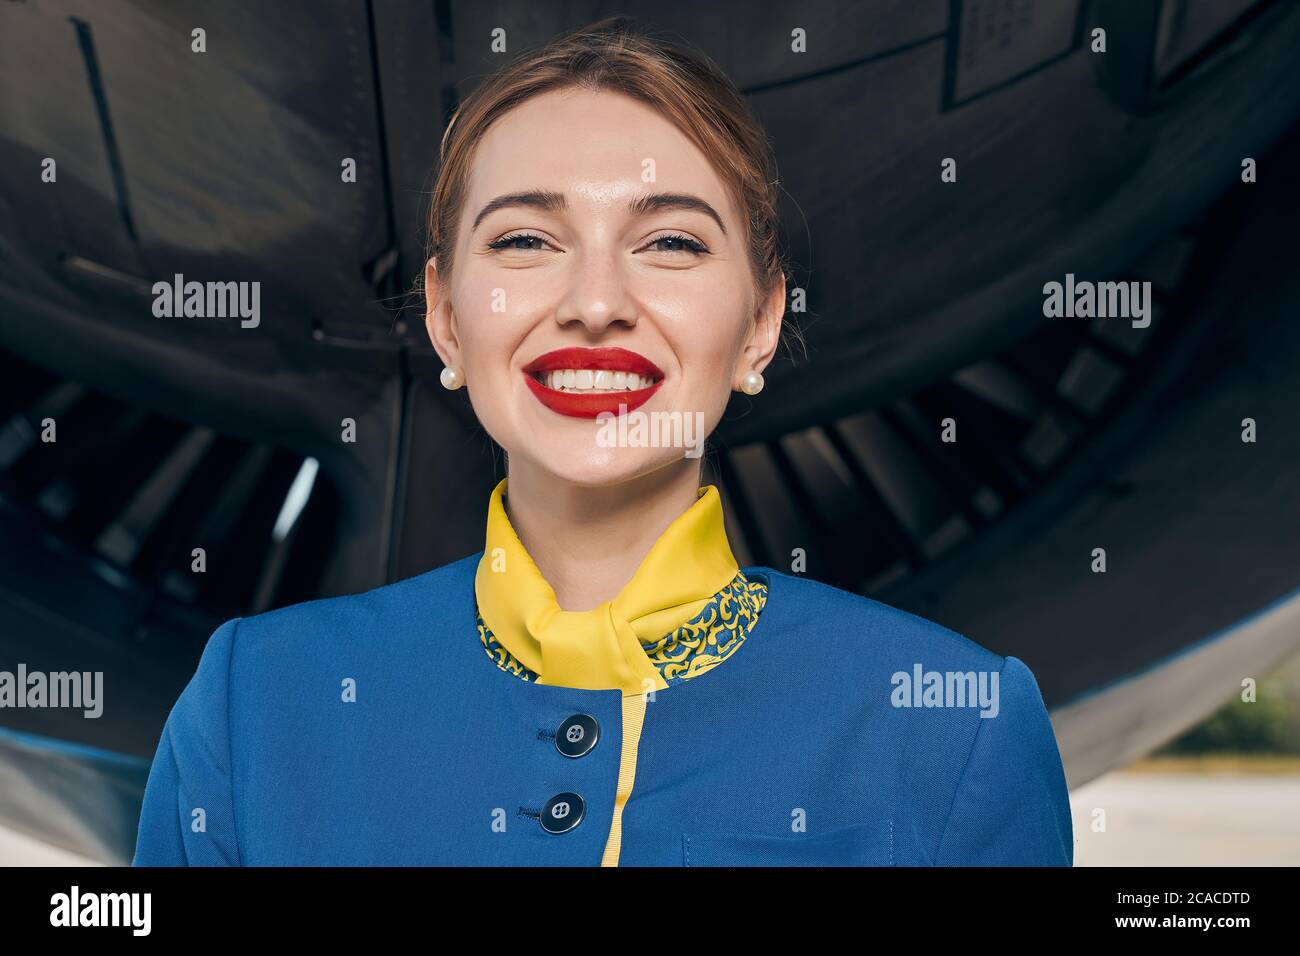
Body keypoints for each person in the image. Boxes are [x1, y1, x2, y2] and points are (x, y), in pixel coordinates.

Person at [133, 16, 1072, 866]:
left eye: (670, 244)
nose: (594, 304)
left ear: (760, 325)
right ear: (446, 318)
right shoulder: (254, 706)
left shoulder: (957, 729)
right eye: (524, 242)